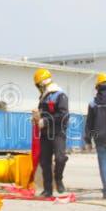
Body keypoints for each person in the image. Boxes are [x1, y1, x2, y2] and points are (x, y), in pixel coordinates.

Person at [32, 68, 69, 198]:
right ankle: (48, 190)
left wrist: (45, 121)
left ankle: (58, 178)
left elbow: (63, 115)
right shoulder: (43, 98)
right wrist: (36, 119)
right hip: (45, 134)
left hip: (58, 133)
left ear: (42, 83)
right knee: (45, 161)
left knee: (60, 158)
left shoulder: (60, 95)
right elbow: (42, 114)